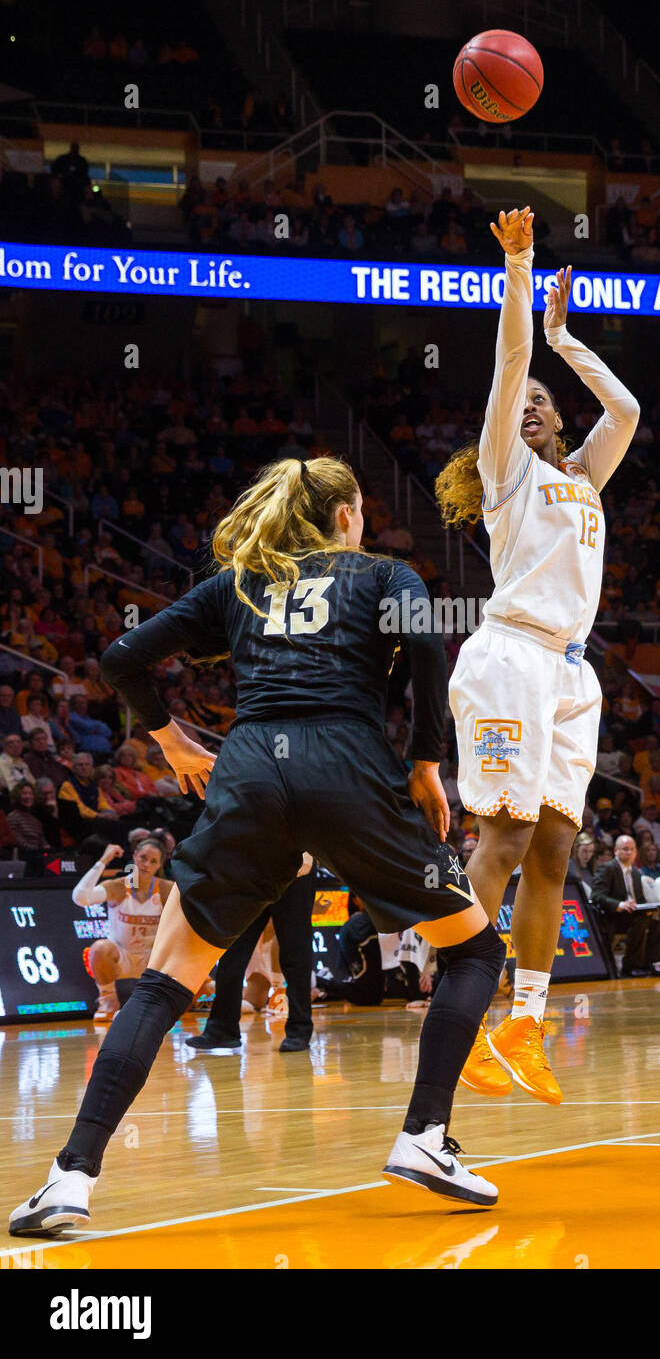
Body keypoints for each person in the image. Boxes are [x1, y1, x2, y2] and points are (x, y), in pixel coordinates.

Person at [10, 455, 506, 1237]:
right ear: (345, 515)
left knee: (167, 980)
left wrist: (172, 741)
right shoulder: (385, 575)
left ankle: (70, 1178)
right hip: (347, 765)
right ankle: (422, 1137)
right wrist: (423, 763)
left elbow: (120, 659)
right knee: (474, 951)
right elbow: (428, 657)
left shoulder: (237, 581)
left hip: (248, 772)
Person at [435, 210, 638, 1105]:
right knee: (505, 836)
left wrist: (567, 337)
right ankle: (464, 1016)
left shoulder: (583, 478)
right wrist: (519, 273)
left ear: (558, 419)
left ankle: (523, 1021)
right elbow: (507, 363)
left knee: (555, 846)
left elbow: (625, 408)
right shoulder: (506, 476)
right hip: (510, 655)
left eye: (542, 400)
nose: (530, 403)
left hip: (570, 670)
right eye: (520, 403)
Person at [186, 853, 317, 1052]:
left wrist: (307, 850)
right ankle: (222, 1029)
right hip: (251, 863)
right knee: (232, 947)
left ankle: (299, 1029)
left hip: (292, 860)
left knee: (294, 949)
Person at [72, 838, 173, 1021]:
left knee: (184, 946)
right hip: (122, 956)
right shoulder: (118, 887)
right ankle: (108, 1002)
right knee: (99, 949)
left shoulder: (166, 889)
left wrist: (152, 941)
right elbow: (80, 898)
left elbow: (184, 924)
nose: (146, 865)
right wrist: (103, 860)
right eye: (143, 857)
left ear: (159, 864)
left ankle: (204, 991)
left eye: (153, 861)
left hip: (153, 957)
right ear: (134, 856)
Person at [590, 833, 660, 977]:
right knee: (641, 920)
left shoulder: (635, 872)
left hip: (633, 913)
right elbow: (596, 896)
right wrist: (620, 904)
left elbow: (639, 899)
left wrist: (649, 908)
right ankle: (630, 966)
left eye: (632, 849)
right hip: (614, 916)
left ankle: (650, 963)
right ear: (616, 851)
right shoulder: (607, 868)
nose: (629, 852)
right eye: (625, 849)